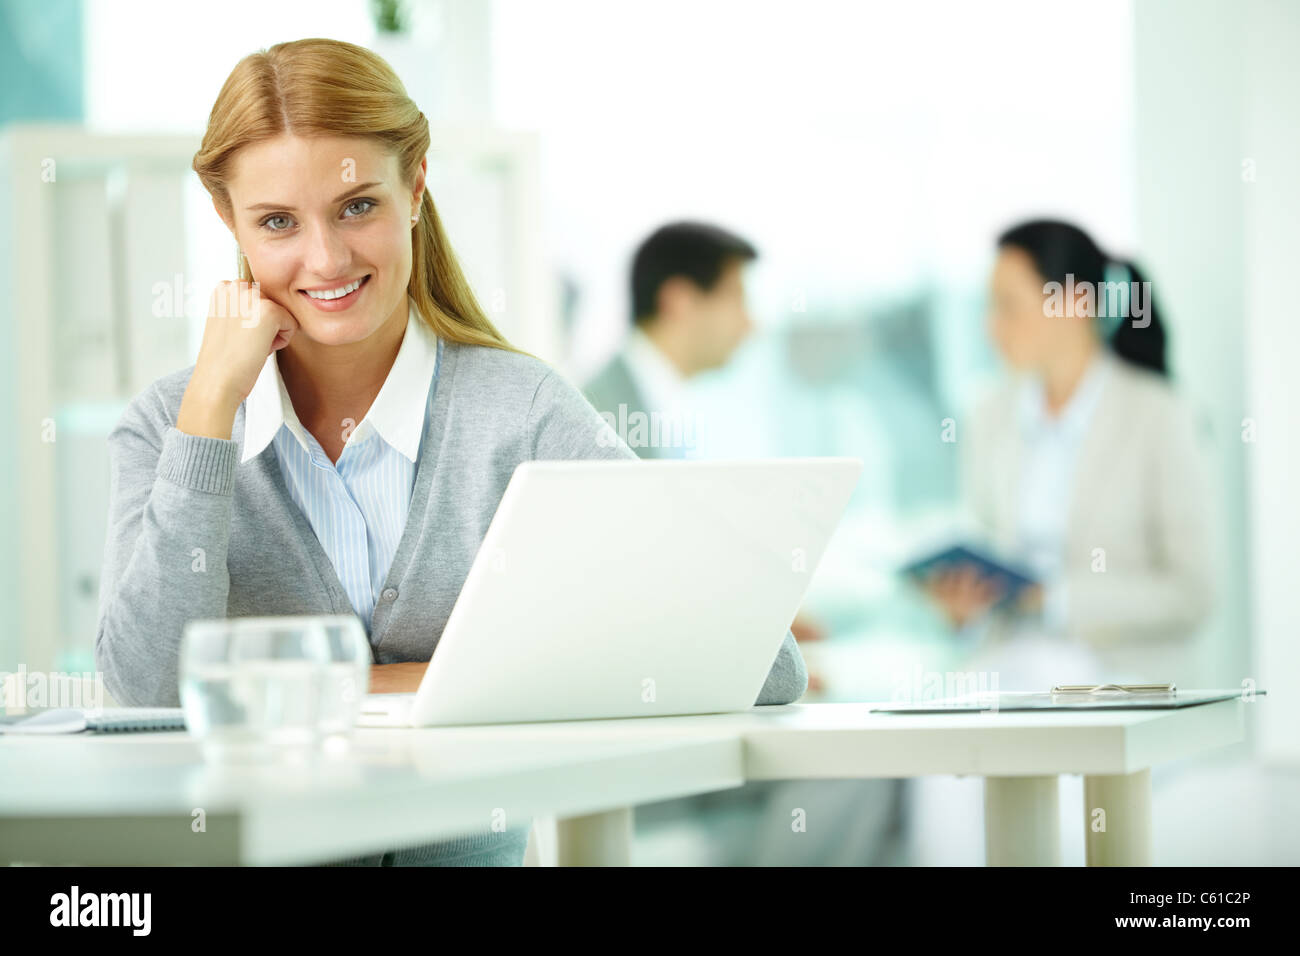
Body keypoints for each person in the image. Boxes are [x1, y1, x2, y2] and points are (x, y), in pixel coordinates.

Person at [94, 38, 808, 868]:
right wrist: (211, 412)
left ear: (417, 185)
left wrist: (340, 690)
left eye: (357, 205)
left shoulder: (520, 412)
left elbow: (765, 663)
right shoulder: (170, 428)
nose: (324, 259)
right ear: (229, 221)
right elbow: (146, 692)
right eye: (278, 222)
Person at [911, 218, 1214, 865]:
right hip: (1007, 672)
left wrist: (1054, 598)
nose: (992, 327)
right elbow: (988, 558)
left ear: (1074, 302)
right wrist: (967, 607)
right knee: (937, 774)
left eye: (1007, 306)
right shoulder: (990, 417)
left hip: (1117, 676)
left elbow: (1192, 593)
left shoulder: (1160, 415)